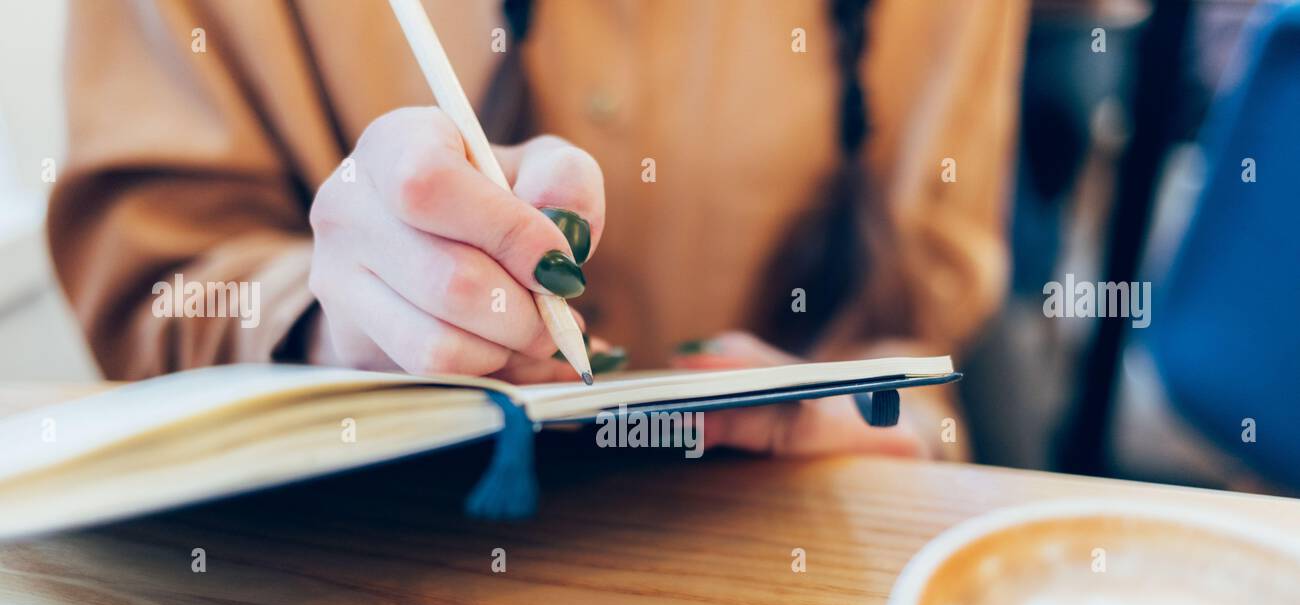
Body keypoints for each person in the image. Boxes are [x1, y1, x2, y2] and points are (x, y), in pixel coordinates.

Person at [48, 0, 1026, 458]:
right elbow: (154, 282)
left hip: (767, 570)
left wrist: (884, 436)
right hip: (346, 598)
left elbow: (925, 329)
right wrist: (341, 327)